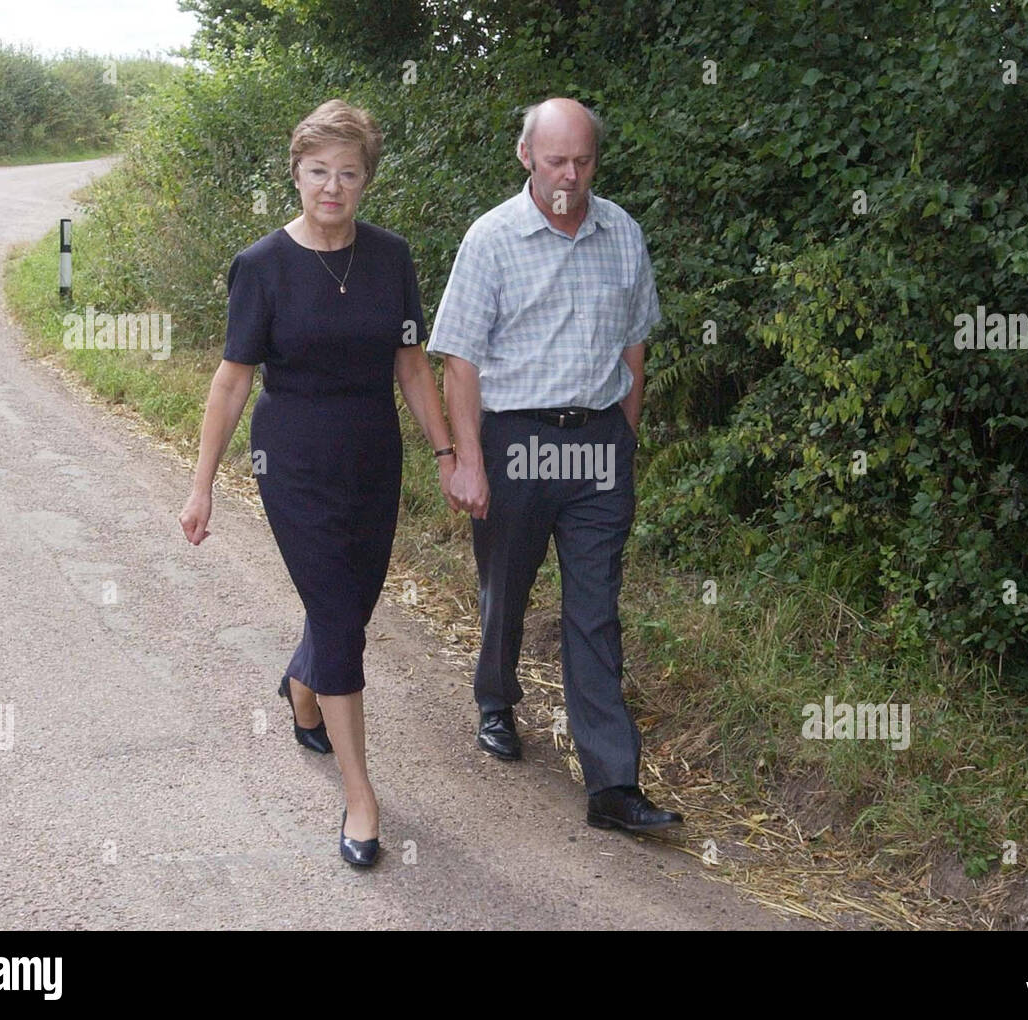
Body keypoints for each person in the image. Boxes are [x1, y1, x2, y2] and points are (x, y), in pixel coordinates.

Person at [178, 99, 456, 867]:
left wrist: (446, 453)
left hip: (373, 455)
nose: (332, 187)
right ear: (295, 174)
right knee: (336, 613)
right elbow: (232, 382)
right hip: (292, 460)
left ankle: (304, 687)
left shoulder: (392, 258)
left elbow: (409, 364)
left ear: (366, 180)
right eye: (317, 171)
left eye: (349, 173)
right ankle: (361, 797)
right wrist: (202, 485)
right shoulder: (262, 266)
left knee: (350, 611)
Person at [428, 97, 683, 833]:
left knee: (596, 610)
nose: (570, 174)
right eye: (555, 160)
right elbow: (460, 358)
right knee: (505, 587)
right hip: (515, 440)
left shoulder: (621, 231)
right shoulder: (492, 238)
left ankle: (611, 784)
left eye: (583, 160)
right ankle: (496, 700)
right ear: (525, 157)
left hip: (599, 440)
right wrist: (468, 460)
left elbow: (636, 344)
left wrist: (622, 439)